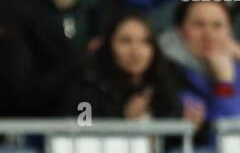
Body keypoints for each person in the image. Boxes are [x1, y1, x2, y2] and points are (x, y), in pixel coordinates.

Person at [172, 0, 240, 141]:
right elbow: (220, 139)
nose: (208, 35)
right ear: (180, 30)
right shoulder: (167, 74)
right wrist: (224, 85)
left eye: (217, 26)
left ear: (229, 32)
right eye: (198, 25)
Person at [63, 9, 194, 123]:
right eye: (125, 41)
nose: (136, 51)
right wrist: (122, 120)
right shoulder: (85, 87)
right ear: (108, 46)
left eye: (145, 41)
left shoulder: (166, 79)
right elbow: (81, 132)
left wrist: (194, 125)